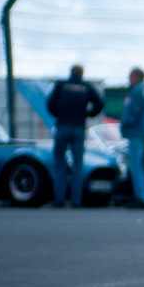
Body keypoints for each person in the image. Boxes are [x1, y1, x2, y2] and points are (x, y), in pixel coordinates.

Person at [46, 64, 104, 207]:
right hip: (79, 127)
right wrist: (88, 114)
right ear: (82, 74)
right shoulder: (86, 87)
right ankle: (76, 200)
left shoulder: (62, 85)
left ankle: (59, 198)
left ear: (70, 72)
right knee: (78, 164)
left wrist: (58, 113)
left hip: (63, 126)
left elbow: (50, 102)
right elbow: (100, 103)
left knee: (59, 162)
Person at [119, 67, 144, 208]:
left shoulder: (136, 92)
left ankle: (140, 197)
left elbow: (132, 112)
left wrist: (124, 126)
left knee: (136, 164)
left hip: (137, 132)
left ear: (136, 77)